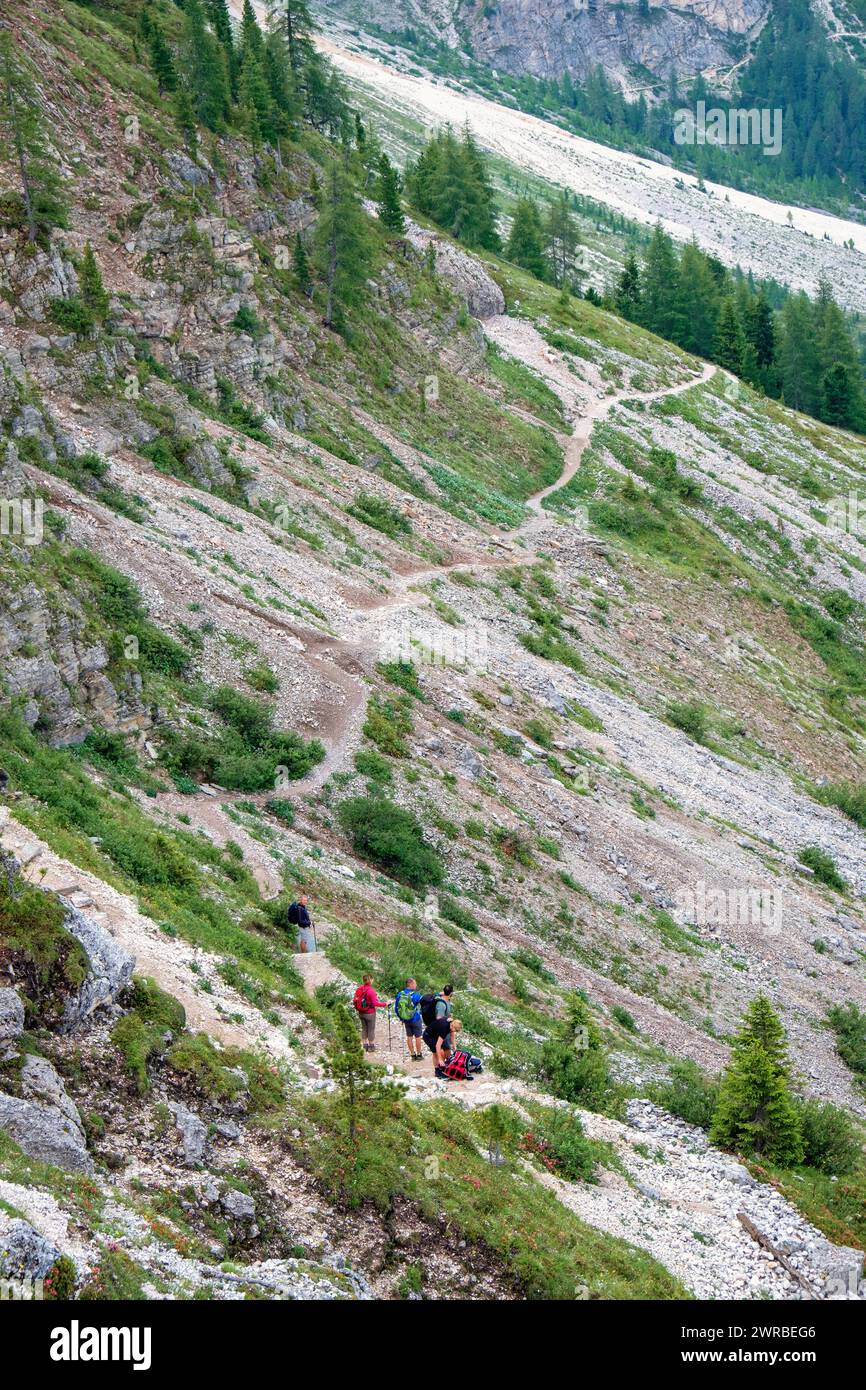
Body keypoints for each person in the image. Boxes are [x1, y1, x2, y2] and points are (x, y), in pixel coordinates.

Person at [421, 985, 456, 1069]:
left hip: (443, 1028)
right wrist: (447, 1020)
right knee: (438, 1051)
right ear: (451, 993)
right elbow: (439, 1018)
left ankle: (447, 1066)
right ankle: (439, 1068)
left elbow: (452, 1034)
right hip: (438, 1030)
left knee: (447, 1048)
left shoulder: (446, 1000)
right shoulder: (441, 1004)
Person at [353, 974, 389, 1052]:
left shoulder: (359, 989)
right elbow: (375, 1003)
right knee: (371, 1029)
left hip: (361, 1012)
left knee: (364, 1028)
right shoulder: (371, 991)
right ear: (370, 980)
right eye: (372, 979)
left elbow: (355, 1000)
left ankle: (364, 1045)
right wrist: (385, 1004)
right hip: (370, 1013)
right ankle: (371, 1046)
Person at [394, 977, 424, 1061]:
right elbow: (424, 1001)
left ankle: (412, 1054)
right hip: (415, 1019)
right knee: (418, 1036)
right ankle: (419, 1054)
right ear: (410, 984)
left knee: (409, 1037)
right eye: (414, 983)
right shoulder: (416, 995)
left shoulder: (400, 994)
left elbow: (396, 1008)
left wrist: (401, 1018)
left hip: (406, 1020)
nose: (416, 985)